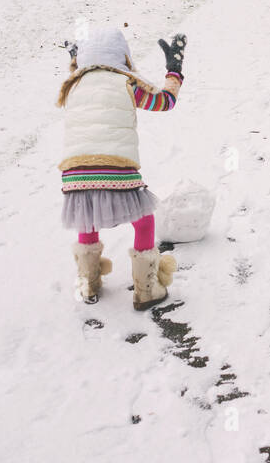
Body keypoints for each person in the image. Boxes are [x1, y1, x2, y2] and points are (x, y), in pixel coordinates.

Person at [57, 26, 186, 309]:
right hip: (116, 167)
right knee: (144, 221)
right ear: (123, 58)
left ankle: (88, 283)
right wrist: (174, 69)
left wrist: (75, 60)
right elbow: (165, 102)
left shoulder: (73, 86)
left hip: (75, 173)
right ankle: (147, 289)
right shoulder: (126, 85)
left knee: (87, 220)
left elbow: (80, 75)